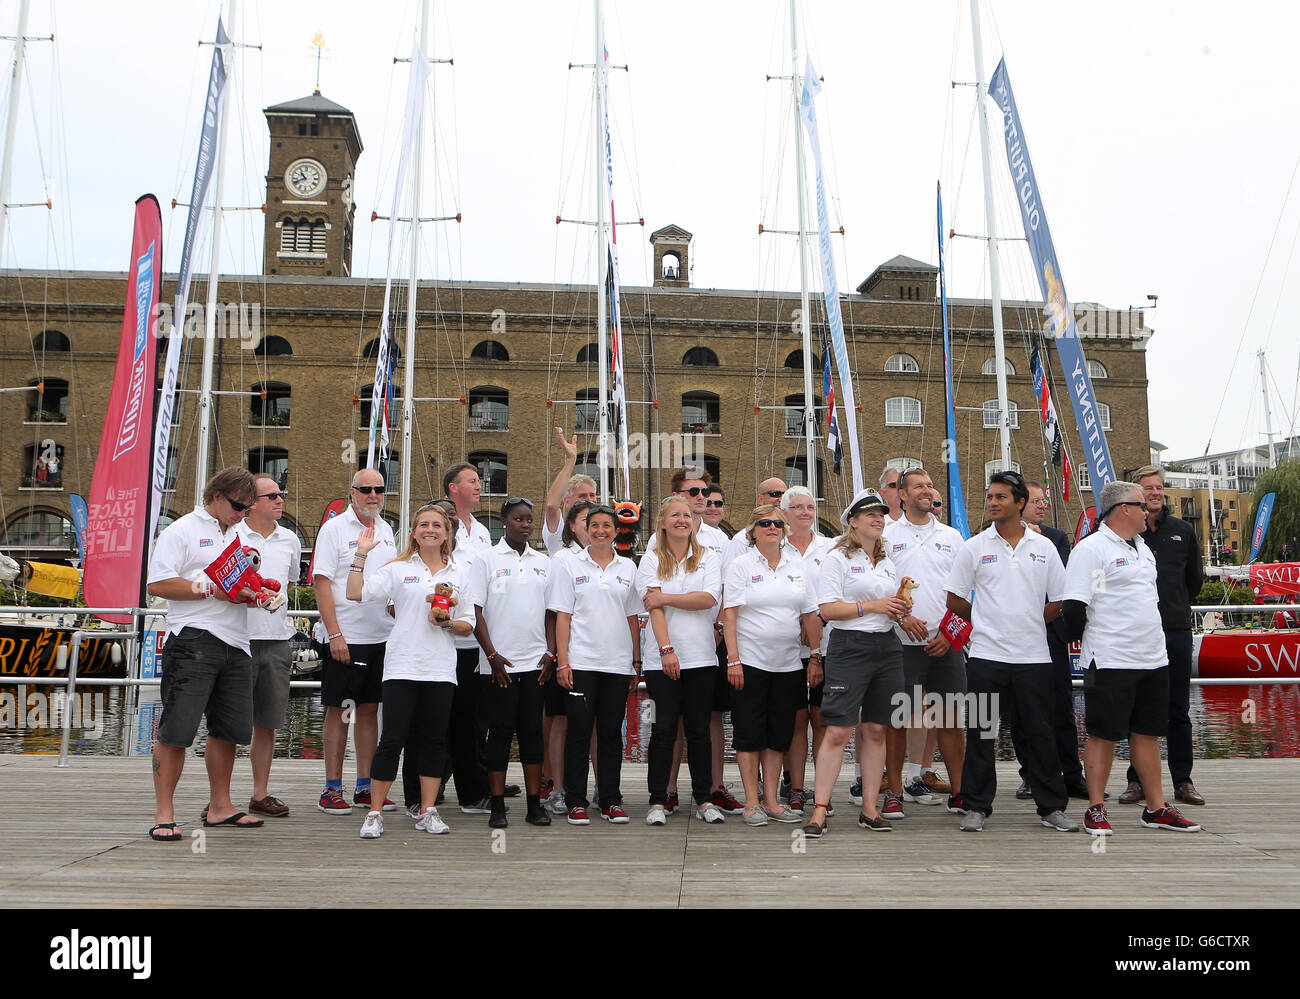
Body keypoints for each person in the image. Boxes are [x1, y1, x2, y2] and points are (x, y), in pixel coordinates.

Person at [1062, 481, 1201, 835]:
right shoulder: (1091, 549)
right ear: (1124, 508)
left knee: (1147, 733)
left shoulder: (1143, 547)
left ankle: (1156, 807)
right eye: (1142, 505)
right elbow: (1075, 607)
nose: (1149, 510)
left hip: (1152, 657)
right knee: (1103, 734)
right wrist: (1094, 642)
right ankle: (1095, 807)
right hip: (1110, 658)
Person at [945, 470, 1078, 833]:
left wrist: (1031, 618)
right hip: (987, 657)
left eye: (1000, 497)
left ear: (1019, 503)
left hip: (1034, 657)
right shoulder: (974, 547)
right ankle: (976, 806)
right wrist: (987, 619)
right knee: (982, 732)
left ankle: (1051, 808)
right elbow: (954, 598)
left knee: (1040, 733)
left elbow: (1060, 600)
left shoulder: (1045, 547)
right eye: (990, 496)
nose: (992, 502)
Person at [146, 467, 264, 840]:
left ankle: (220, 807)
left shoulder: (242, 532)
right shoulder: (182, 530)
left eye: (247, 507)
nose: (242, 513)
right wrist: (210, 588)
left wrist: (255, 593)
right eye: (237, 505)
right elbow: (158, 582)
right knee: (177, 729)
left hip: (238, 640)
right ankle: (164, 813)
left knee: (229, 729)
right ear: (214, 495)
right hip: (193, 638)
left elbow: (244, 578)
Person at [347, 503, 473, 838]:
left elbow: (469, 624)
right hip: (402, 666)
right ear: (414, 532)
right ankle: (375, 813)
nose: (430, 529)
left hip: (440, 669)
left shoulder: (459, 573)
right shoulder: (398, 568)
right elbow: (354, 593)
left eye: (436, 525)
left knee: (434, 741)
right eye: (423, 525)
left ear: (446, 534)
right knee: (392, 740)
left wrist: (448, 623)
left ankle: (428, 811)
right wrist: (361, 554)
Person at [803, 489, 913, 835]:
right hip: (850, 646)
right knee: (837, 730)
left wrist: (898, 609)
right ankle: (820, 809)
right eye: (869, 514)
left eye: (881, 514)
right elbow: (827, 610)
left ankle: (869, 808)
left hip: (886, 646)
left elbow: (886, 606)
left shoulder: (889, 562)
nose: (878, 518)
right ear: (852, 522)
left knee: (878, 728)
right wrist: (876, 606)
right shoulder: (836, 558)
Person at [722, 505, 822, 826]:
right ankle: (751, 801)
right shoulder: (740, 565)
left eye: (778, 523)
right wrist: (733, 659)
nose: (772, 528)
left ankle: (771, 800)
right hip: (749, 662)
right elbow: (731, 615)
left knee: (779, 733)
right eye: (764, 524)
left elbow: (810, 615)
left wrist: (816, 656)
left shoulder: (798, 566)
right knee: (749, 732)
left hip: (788, 663)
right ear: (752, 531)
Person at [549, 505, 642, 824]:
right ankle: (576, 800)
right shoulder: (570, 565)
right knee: (578, 732)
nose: (601, 530)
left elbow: (632, 616)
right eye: (595, 525)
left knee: (609, 735)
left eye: (607, 525)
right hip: (581, 662)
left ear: (617, 531)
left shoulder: (628, 568)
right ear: (585, 529)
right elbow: (563, 616)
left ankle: (610, 799)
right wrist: (563, 661)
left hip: (617, 665)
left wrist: (636, 659)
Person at [1119, 465, 1205, 807]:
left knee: (1178, 710)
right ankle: (1136, 781)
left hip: (1175, 631)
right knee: (1137, 709)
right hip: (1136, 633)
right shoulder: (1126, 534)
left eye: (1158, 487)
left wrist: (1174, 607)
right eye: (1147, 489)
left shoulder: (1182, 532)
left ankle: (1182, 781)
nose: (1154, 493)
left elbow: (1194, 582)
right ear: (1135, 495)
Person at [312, 467, 397, 814]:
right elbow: (321, 583)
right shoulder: (333, 529)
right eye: (366, 489)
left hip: (382, 636)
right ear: (352, 492)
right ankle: (332, 787)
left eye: (379, 488)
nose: (373, 495)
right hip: (347, 636)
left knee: (369, 710)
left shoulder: (387, 529)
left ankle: (365, 785)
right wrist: (335, 634)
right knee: (340, 711)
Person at [882, 467, 966, 814]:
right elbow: (878, 587)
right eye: (918, 485)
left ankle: (960, 793)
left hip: (944, 643)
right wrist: (903, 617)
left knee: (950, 719)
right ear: (901, 495)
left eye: (930, 485)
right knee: (897, 720)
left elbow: (965, 594)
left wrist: (949, 634)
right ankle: (895, 791)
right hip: (900, 642)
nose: (927, 490)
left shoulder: (953, 537)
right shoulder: (885, 535)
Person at [637, 496, 725, 825]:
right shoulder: (650, 560)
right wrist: (666, 649)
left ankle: (703, 799)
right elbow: (652, 607)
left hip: (702, 657)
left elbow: (708, 599)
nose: (682, 520)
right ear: (662, 522)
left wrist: (667, 596)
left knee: (699, 731)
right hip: (663, 660)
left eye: (687, 515)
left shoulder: (708, 558)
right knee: (663, 729)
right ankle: (658, 800)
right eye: (675, 515)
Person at [469, 497, 555, 828]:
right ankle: (497, 806)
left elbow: (551, 613)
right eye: (518, 518)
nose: (526, 524)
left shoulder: (544, 563)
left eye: (530, 519)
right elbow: (475, 611)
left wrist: (551, 653)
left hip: (535, 664)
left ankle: (534, 804)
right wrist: (491, 655)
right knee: (500, 734)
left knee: (533, 734)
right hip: (498, 666)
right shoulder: (485, 559)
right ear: (504, 520)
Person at [1013, 480, 1088, 800]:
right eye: (1036, 501)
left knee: (1061, 707)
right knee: (1021, 709)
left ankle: (1071, 773)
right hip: (1016, 636)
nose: (1043, 505)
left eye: (1044, 500)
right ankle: (1030, 773)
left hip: (1051, 636)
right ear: (1020, 505)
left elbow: (1062, 584)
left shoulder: (1056, 539)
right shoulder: (1001, 540)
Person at [234, 476, 301, 817]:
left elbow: (287, 583)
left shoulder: (290, 538)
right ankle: (222, 798)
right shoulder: (231, 535)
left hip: (277, 640)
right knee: (229, 722)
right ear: (252, 501)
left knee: (268, 722)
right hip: (236, 639)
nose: (280, 499)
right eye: (272, 495)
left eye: (281, 494)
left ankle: (260, 794)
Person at [442, 461, 495, 813]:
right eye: (472, 481)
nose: (479, 485)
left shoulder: (484, 533)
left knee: (475, 719)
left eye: (479, 481)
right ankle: (436, 782)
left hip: (476, 643)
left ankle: (475, 782)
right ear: (453, 488)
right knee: (441, 718)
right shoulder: (437, 526)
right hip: (445, 640)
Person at [779, 485, 835, 812]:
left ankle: (823, 792)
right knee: (796, 721)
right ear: (785, 513)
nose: (805, 512)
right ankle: (797, 787)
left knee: (823, 720)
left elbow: (836, 593)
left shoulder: (831, 549)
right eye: (798, 507)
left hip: (825, 645)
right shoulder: (776, 549)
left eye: (810, 507)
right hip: (786, 651)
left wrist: (817, 624)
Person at [540, 498, 597, 815]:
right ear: (572, 525)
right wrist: (556, 653)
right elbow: (554, 611)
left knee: (599, 725)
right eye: (586, 520)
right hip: (569, 656)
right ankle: (560, 788)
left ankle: (602, 788)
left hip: (601, 657)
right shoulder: (562, 559)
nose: (592, 526)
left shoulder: (616, 558)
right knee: (561, 722)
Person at [541, 427, 598, 555]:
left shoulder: (604, 530)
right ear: (566, 502)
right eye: (582, 496)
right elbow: (551, 506)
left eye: (592, 495)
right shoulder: (560, 529)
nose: (589, 500)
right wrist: (571, 460)